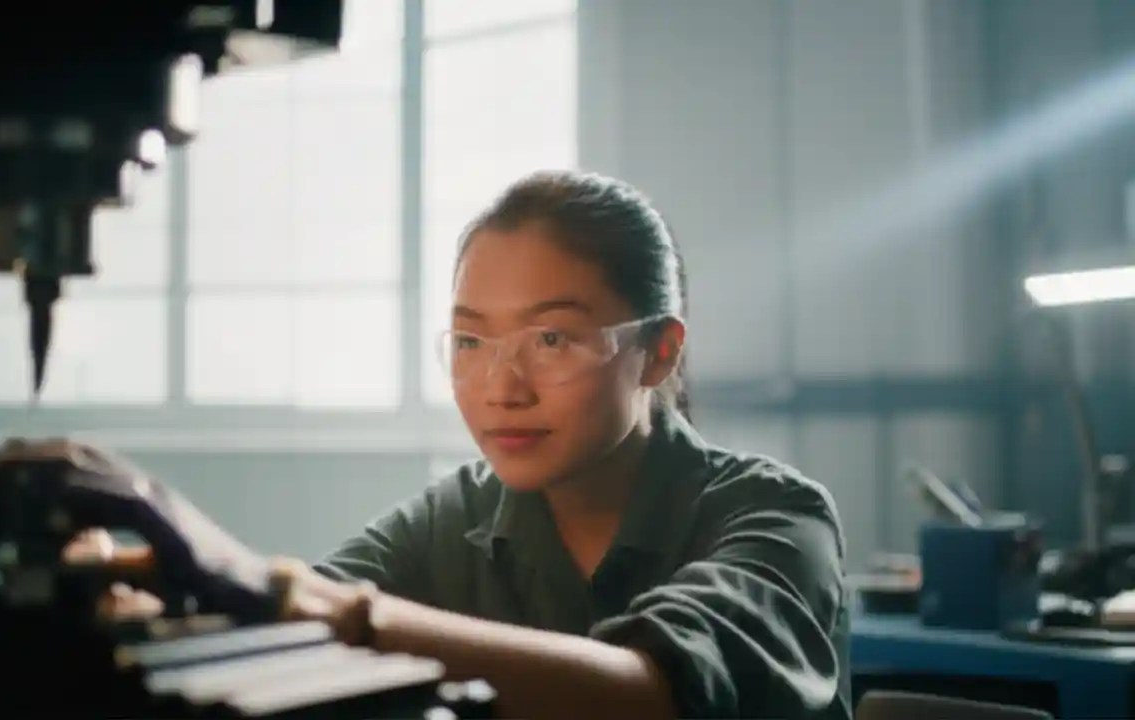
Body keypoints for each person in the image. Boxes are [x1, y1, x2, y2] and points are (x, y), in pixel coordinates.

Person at [66, 170, 851, 719]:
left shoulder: (777, 518)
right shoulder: (455, 521)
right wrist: (146, 587)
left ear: (659, 351)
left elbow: (651, 697)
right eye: (471, 341)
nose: (501, 387)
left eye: (551, 338)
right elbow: (296, 628)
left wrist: (287, 592)